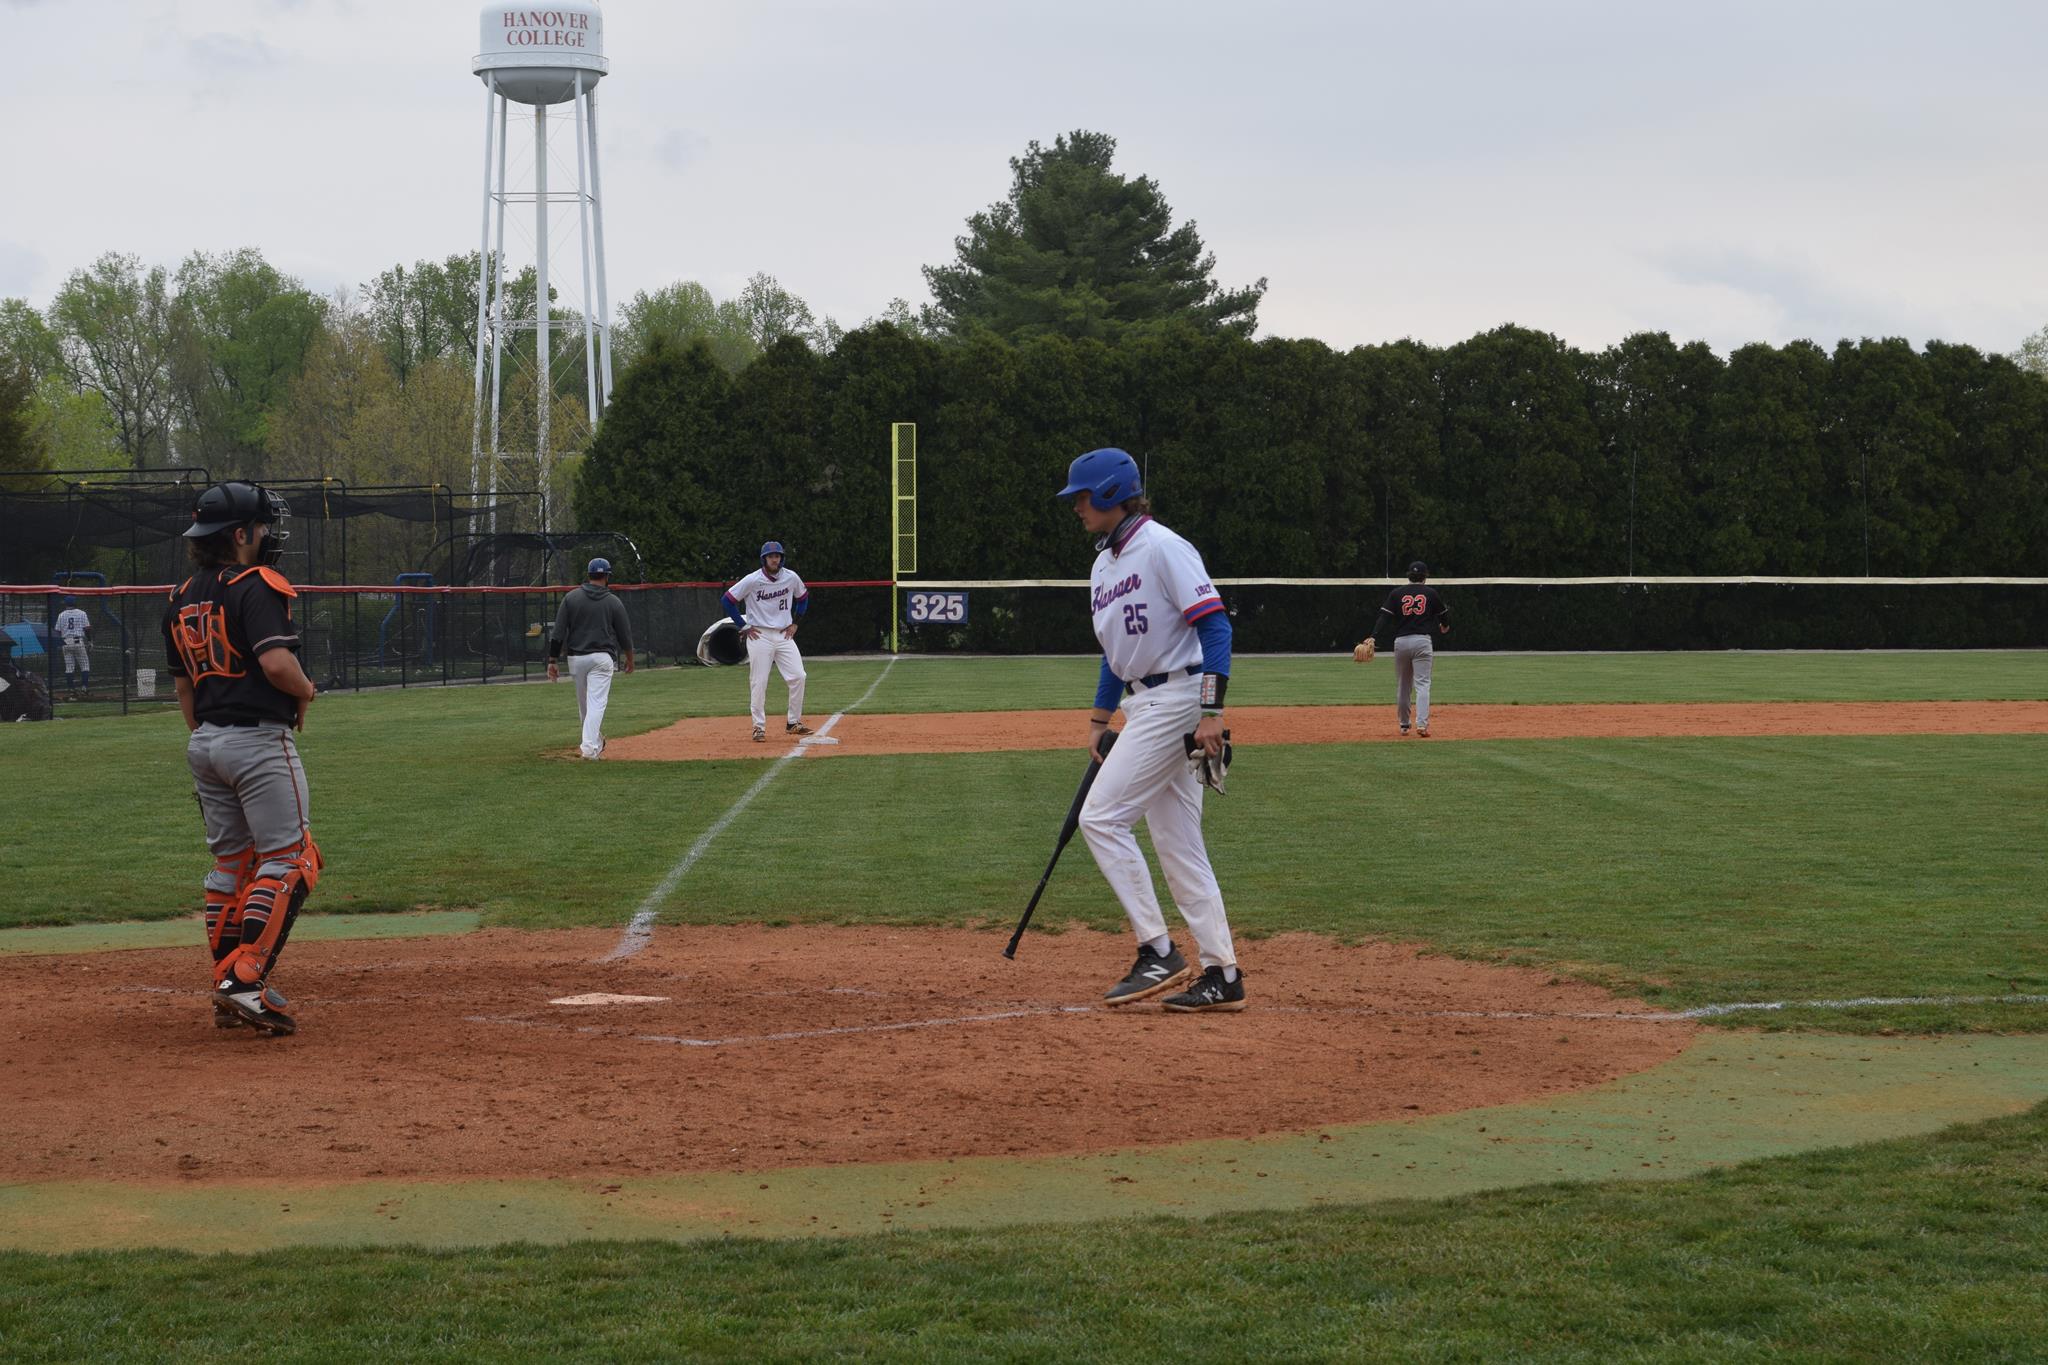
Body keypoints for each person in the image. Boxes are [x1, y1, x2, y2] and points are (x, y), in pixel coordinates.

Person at [1060, 447, 1246, 1013]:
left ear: (1114, 493)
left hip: (1179, 698)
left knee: (1101, 817)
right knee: (1178, 846)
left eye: (1083, 497)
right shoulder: (1102, 565)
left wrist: (1211, 711)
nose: (1076, 508)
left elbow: (1215, 628)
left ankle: (1157, 949)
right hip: (1142, 703)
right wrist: (1099, 720)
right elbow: (1112, 657)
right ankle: (1223, 974)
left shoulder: (1163, 546)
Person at [161, 481, 321, 1036]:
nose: (268, 535)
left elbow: (184, 690)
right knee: (292, 859)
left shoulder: (181, 594)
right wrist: (306, 690)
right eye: (262, 526)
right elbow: (277, 665)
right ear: (241, 534)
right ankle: (245, 981)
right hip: (256, 741)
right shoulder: (256, 585)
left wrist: (211, 738)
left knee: (232, 866)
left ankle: (224, 983)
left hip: (204, 741)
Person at [722, 541, 810, 742]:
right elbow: (727, 600)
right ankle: (758, 727)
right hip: (759, 635)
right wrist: (742, 625)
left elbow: (803, 597)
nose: (774, 559)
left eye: (777, 556)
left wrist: (795, 623)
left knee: (799, 676)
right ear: (764, 559)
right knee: (759, 682)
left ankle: (793, 722)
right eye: (770, 556)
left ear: (781, 558)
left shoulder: (791, 577)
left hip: (783, 634)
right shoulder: (753, 580)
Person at [546, 558, 635, 759]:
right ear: (607, 576)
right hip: (602, 658)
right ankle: (589, 748)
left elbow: (558, 633)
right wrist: (630, 658)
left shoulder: (571, 598)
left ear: (589, 575)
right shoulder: (613, 601)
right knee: (596, 703)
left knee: (585, 704)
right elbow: (624, 635)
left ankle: (594, 744)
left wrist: (552, 660)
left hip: (577, 658)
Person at [1363, 561, 1451, 736]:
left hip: (1401, 642)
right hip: (1422, 641)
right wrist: (1444, 626)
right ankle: (1422, 725)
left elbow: (1384, 617)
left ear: (1408, 575)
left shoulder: (1397, 593)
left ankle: (1404, 725)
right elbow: (1444, 615)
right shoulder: (1431, 593)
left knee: (1403, 684)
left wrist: (1373, 635)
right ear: (1425, 577)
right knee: (1423, 684)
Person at [54, 595, 92, 698]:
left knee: (69, 668)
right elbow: (87, 629)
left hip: (65, 642)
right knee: (85, 665)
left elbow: (57, 631)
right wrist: (90, 641)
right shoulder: (82, 613)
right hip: (78, 641)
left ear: (66, 604)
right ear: (75, 603)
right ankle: (84, 688)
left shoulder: (61, 615)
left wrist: (58, 643)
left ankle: (71, 690)